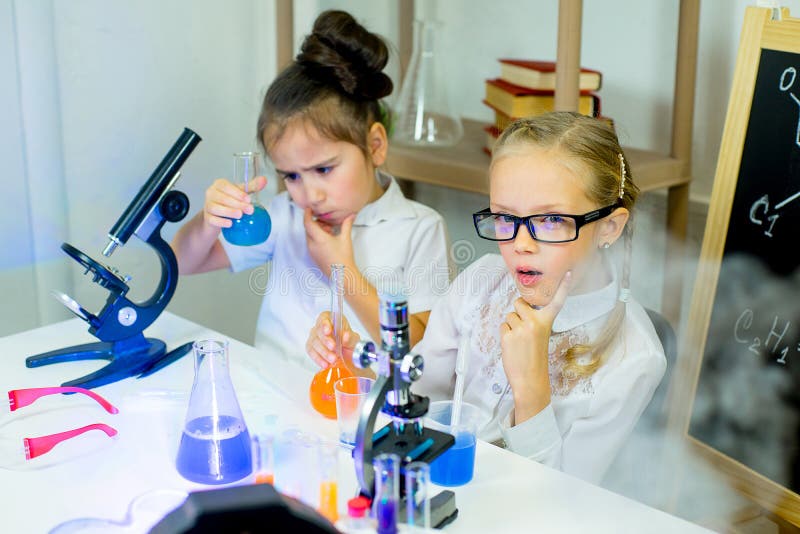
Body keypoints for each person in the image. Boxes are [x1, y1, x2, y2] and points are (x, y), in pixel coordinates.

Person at [306, 112, 666, 484]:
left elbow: (563, 504)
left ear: (609, 226)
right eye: (505, 218)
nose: (520, 244)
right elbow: (419, 392)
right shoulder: (481, 283)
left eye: (551, 220)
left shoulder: (634, 360)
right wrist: (357, 365)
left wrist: (531, 388)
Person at [172, 10, 449, 368]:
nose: (309, 195)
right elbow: (182, 261)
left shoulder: (419, 229)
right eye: (291, 175)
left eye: (324, 169)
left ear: (375, 145)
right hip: (277, 404)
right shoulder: (284, 214)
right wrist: (209, 221)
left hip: (367, 414)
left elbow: (422, 350)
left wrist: (342, 270)